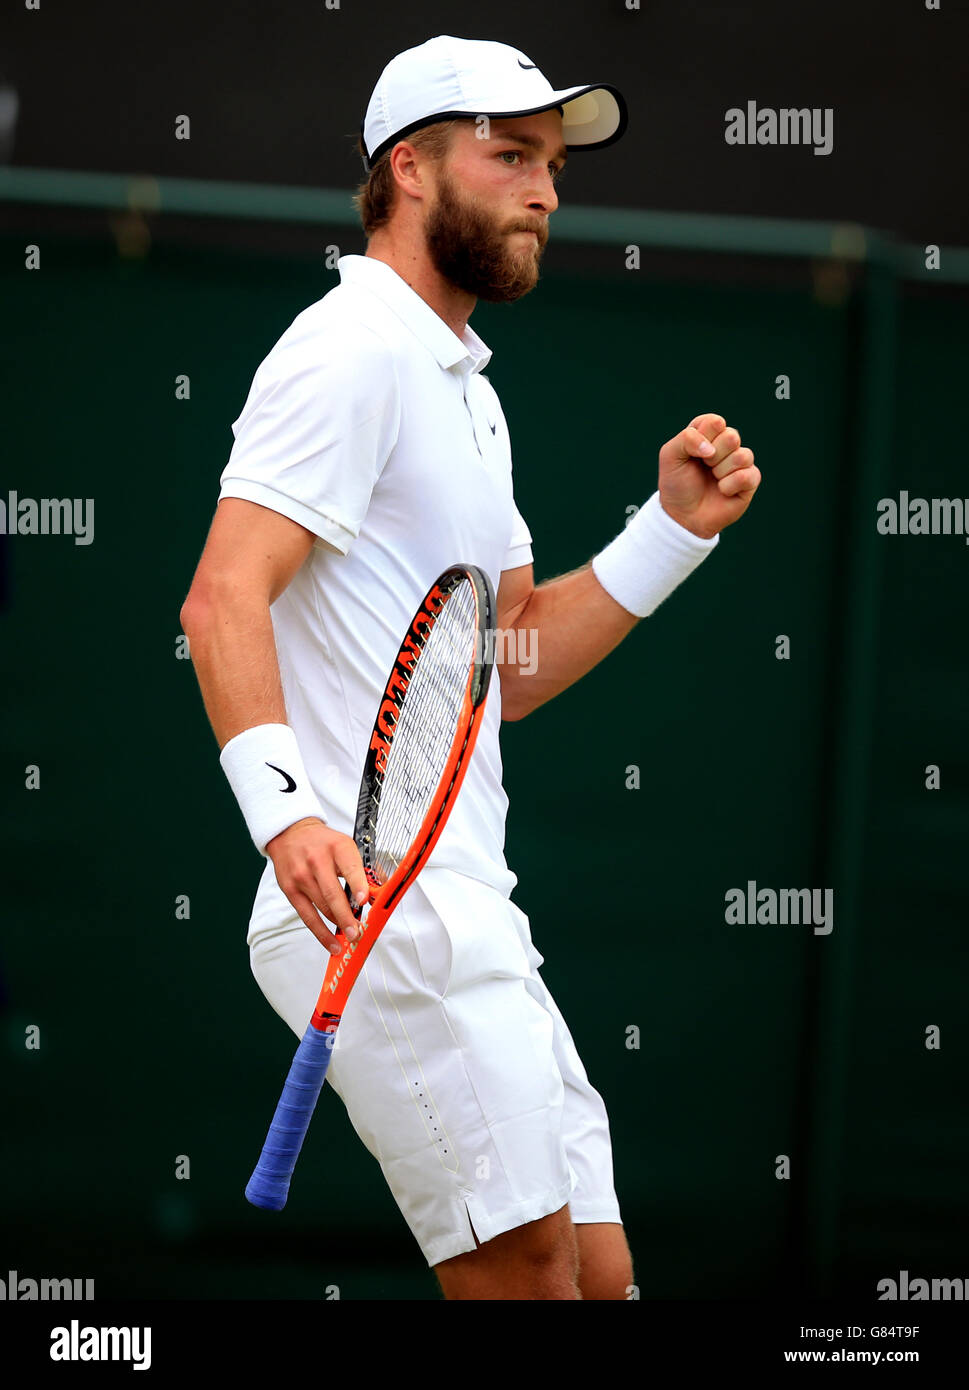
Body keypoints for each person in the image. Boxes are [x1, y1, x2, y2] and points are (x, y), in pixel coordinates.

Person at [179, 35, 760, 1301]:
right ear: (411, 170)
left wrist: (668, 535)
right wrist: (288, 818)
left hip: (466, 905)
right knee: (527, 1281)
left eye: (552, 165)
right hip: (382, 913)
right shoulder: (352, 349)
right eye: (511, 157)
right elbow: (224, 595)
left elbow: (501, 667)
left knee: (594, 1276)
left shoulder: (467, 392)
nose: (546, 191)